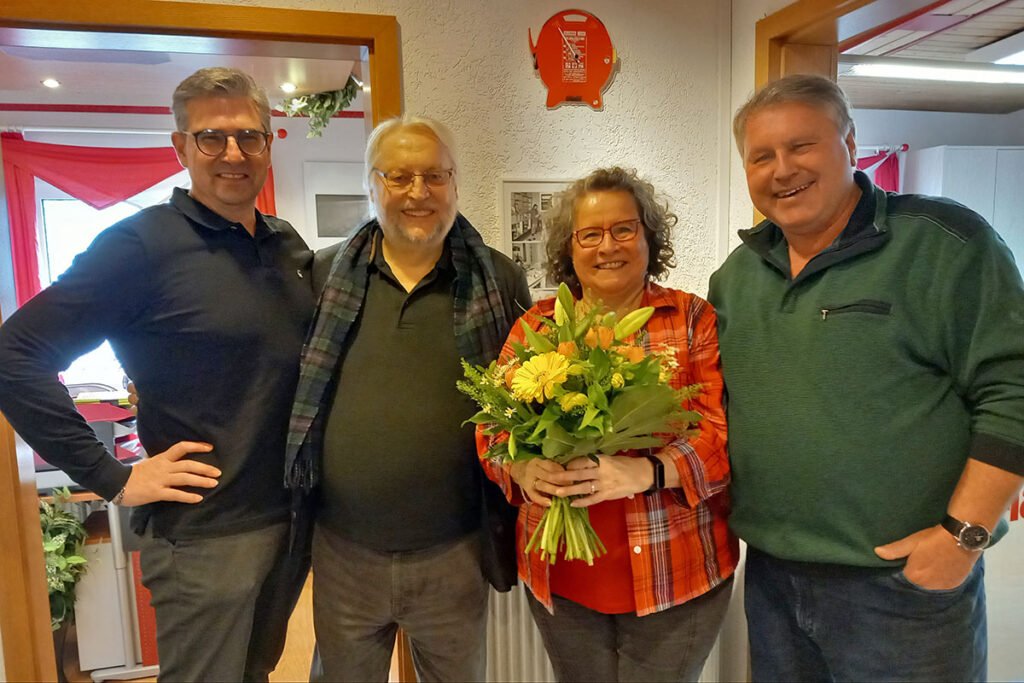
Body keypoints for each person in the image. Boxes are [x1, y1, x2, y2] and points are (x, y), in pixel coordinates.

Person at [0, 67, 314, 681]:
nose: (233, 153)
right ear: (180, 148)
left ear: (270, 144)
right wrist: (110, 478)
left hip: (292, 520)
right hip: (203, 536)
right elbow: (15, 354)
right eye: (211, 138)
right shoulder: (137, 248)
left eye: (249, 136)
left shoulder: (284, 244)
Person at [709, 73, 1024, 681]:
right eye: (761, 156)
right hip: (774, 580)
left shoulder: (945, 245)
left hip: (902, 590)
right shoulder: (738, 277)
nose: (782, 170)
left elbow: (1014, 389)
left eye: (801, 146)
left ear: (850, 144)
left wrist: (963, 537)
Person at [284, 115, 531, 682]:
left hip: (457, 552)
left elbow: (525, 399)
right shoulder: (321, 276)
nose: (419, 193)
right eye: (399, 177)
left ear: (455, 184)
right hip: (345, 552)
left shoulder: (499, 279)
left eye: (435, 175)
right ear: (371, 185)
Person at [480, 166, 739, 682]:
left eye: (624, 229)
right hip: (563, 575)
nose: (608, 246)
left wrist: (646, 473)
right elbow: (493, 429)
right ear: (569, 249)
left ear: (649, 237)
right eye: (590, 235)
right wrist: (523, 470)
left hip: (676, 574)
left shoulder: (691, 320)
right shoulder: (537, 326)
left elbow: (718, 436)